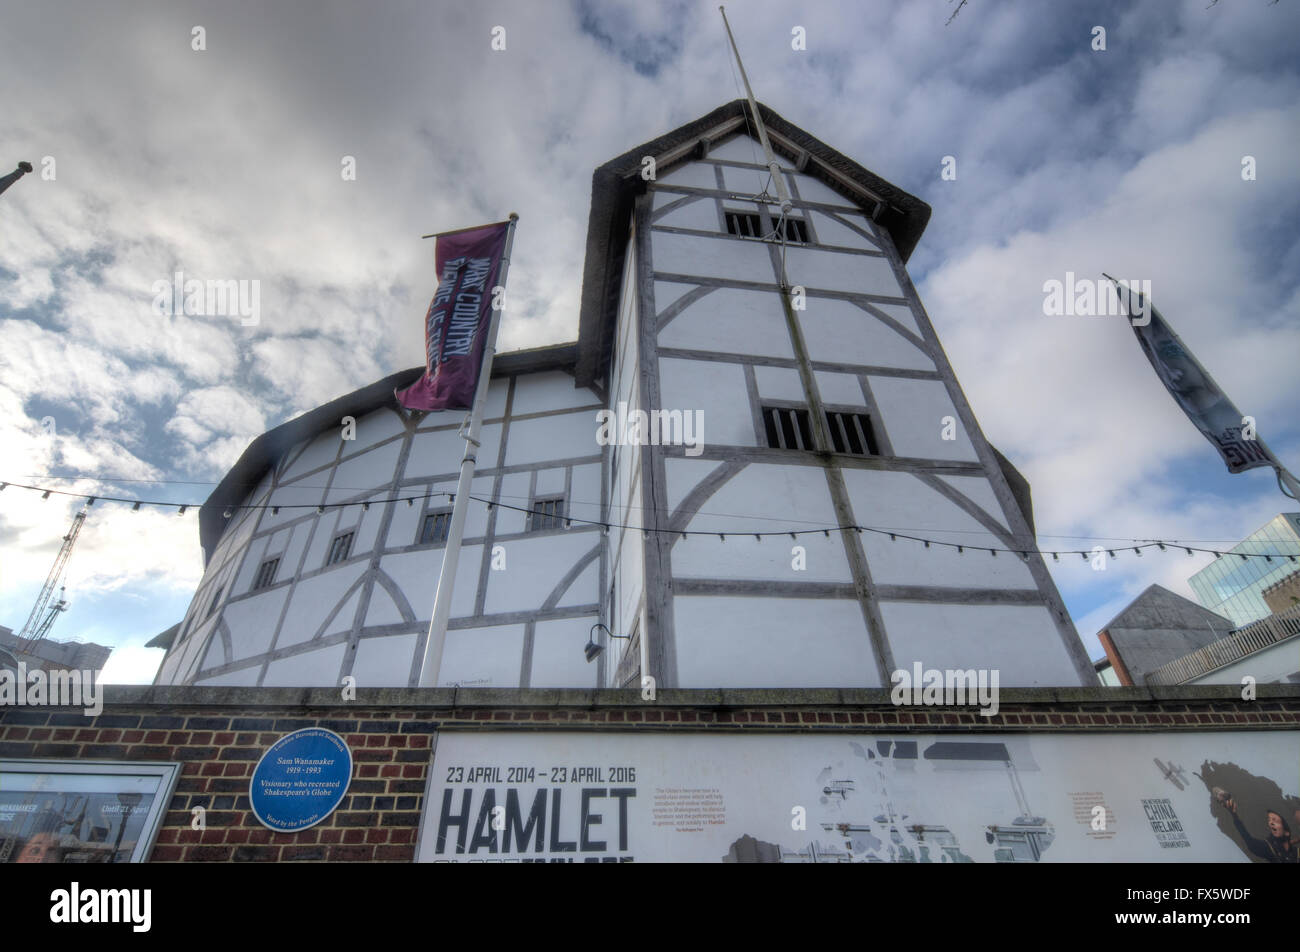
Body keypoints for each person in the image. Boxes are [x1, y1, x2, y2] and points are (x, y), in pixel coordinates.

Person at [1222, 797, 1299, 863]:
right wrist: (1234, 815)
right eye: (1269, 820)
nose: (1271, 822)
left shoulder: (1296, 852)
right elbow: (1249, 841)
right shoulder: (1269, 849)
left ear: (1286, 832)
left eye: (1275, 820)